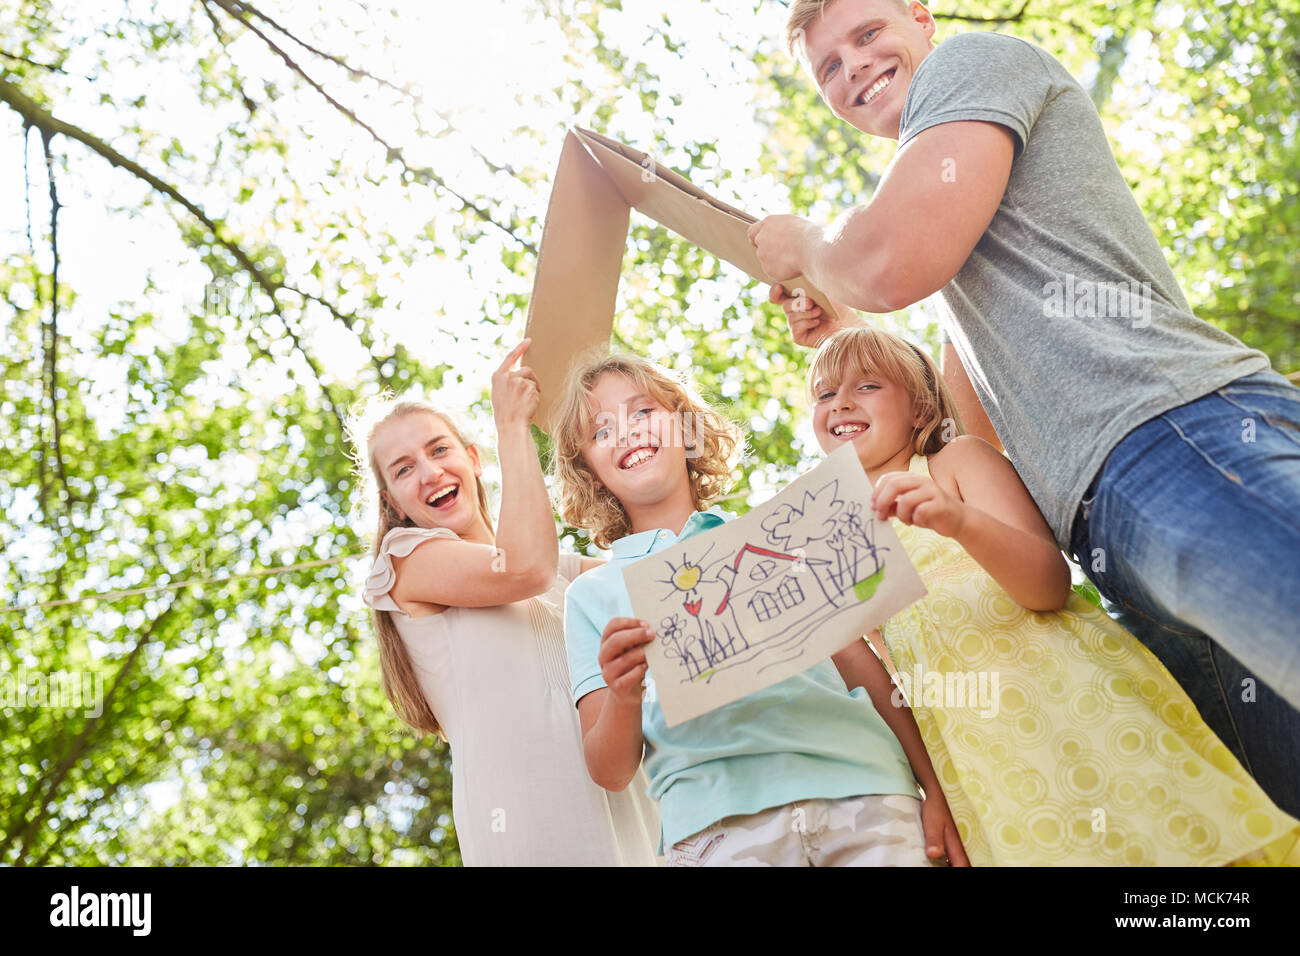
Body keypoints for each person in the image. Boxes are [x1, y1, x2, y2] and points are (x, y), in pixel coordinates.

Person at [748, 0, 1300, 815]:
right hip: (1111, 532)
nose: (853, 65)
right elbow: (965, 426)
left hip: (1168, 437)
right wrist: (848, 327)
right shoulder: (966, 241)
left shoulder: (969, 66)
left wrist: (809, 249)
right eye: (828, 65)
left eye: (867, 35)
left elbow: (891, 261)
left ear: (921, 17)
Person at [805, 325, 1300, 864]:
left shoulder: (957, 463)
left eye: (867, 386)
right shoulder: (834, 538)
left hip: (1075, 697)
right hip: (978, 752)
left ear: (921, 408)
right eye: (825, 393)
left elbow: (1047, 585)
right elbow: (878, 675)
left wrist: (958, 521)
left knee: (1168, 835)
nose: (841, 402)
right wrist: (934, 789)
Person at [551, 350, 967, 866]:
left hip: (865, 791)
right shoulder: (591, 595)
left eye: (643, 411)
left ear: (687, 428)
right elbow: (610, 772)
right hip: (714, 828)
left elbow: (861, 665)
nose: (628, 431)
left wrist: (935, 788)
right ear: (588, 471)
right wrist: (622, 693)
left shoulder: (779, 535)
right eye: (601, 430)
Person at [352, 340, 659, 866]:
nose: (429, 473)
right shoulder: (405, 562)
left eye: (439, 450)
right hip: (528, 823)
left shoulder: (565, 575)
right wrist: (512, 426)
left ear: (471, 460)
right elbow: (523, 568)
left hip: (625, 805)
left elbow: (657, 579)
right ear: (391, 503)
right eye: (403, 470)